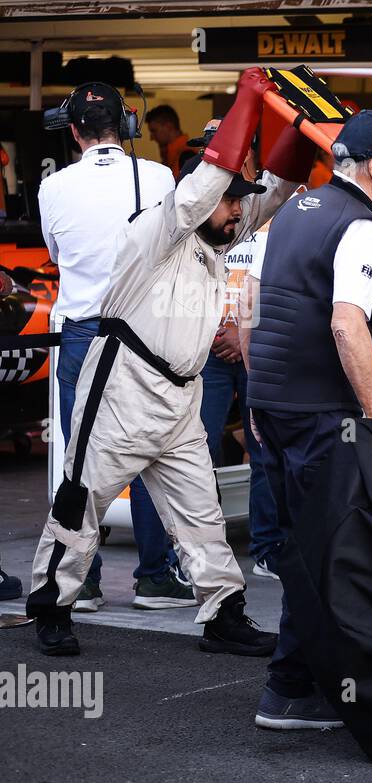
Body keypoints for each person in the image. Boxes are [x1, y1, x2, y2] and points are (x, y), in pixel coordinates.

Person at [27, 68, 305, 658]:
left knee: (201, 513)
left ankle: (224, 612)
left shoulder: (214, 232)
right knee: (81, 502)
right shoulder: (160, 226)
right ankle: (52, 605)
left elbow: (276, 190)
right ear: (204, 196)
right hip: (123, 387)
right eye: (231, 202)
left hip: (180, 395)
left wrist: (305, 128)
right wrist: (247, 100)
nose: (239, 214)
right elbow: (209, 188)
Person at [245, 109, 372, 730]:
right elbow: (346, 323)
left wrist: (260, 393)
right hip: (319, 412)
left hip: (273, 404)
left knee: (301, 545)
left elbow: (251, 313)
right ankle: (292, 689)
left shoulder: (293, 212)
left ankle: (303, 682)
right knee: (327, 550)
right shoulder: (363, 226)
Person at [38, 81, 195, 614]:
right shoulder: (156, 176)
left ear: (74, 131)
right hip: (145, 334)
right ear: (126, 127)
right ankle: (154, 578)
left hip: (82, 333)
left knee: (80, 460)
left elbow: (56, 253)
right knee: (149, 451)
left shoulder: (54, 187)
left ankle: (81, 581)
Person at [192, 118, 284, 580]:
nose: (217, 155)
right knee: (195, 451)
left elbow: (287, 276)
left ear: (246, 153)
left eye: (225, 147)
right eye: (209, 148)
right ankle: (196, 554)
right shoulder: (189, 204)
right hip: (205, 346)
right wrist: (216, 330)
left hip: (258, 340)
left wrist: (244, 329)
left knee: (265, 447)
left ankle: (266, 546)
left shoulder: (272, 203)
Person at [145, 104, 196, 180]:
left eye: (154, 131)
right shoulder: (171, 155)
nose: (151, 138)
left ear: (169, 127)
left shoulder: (188, 156)